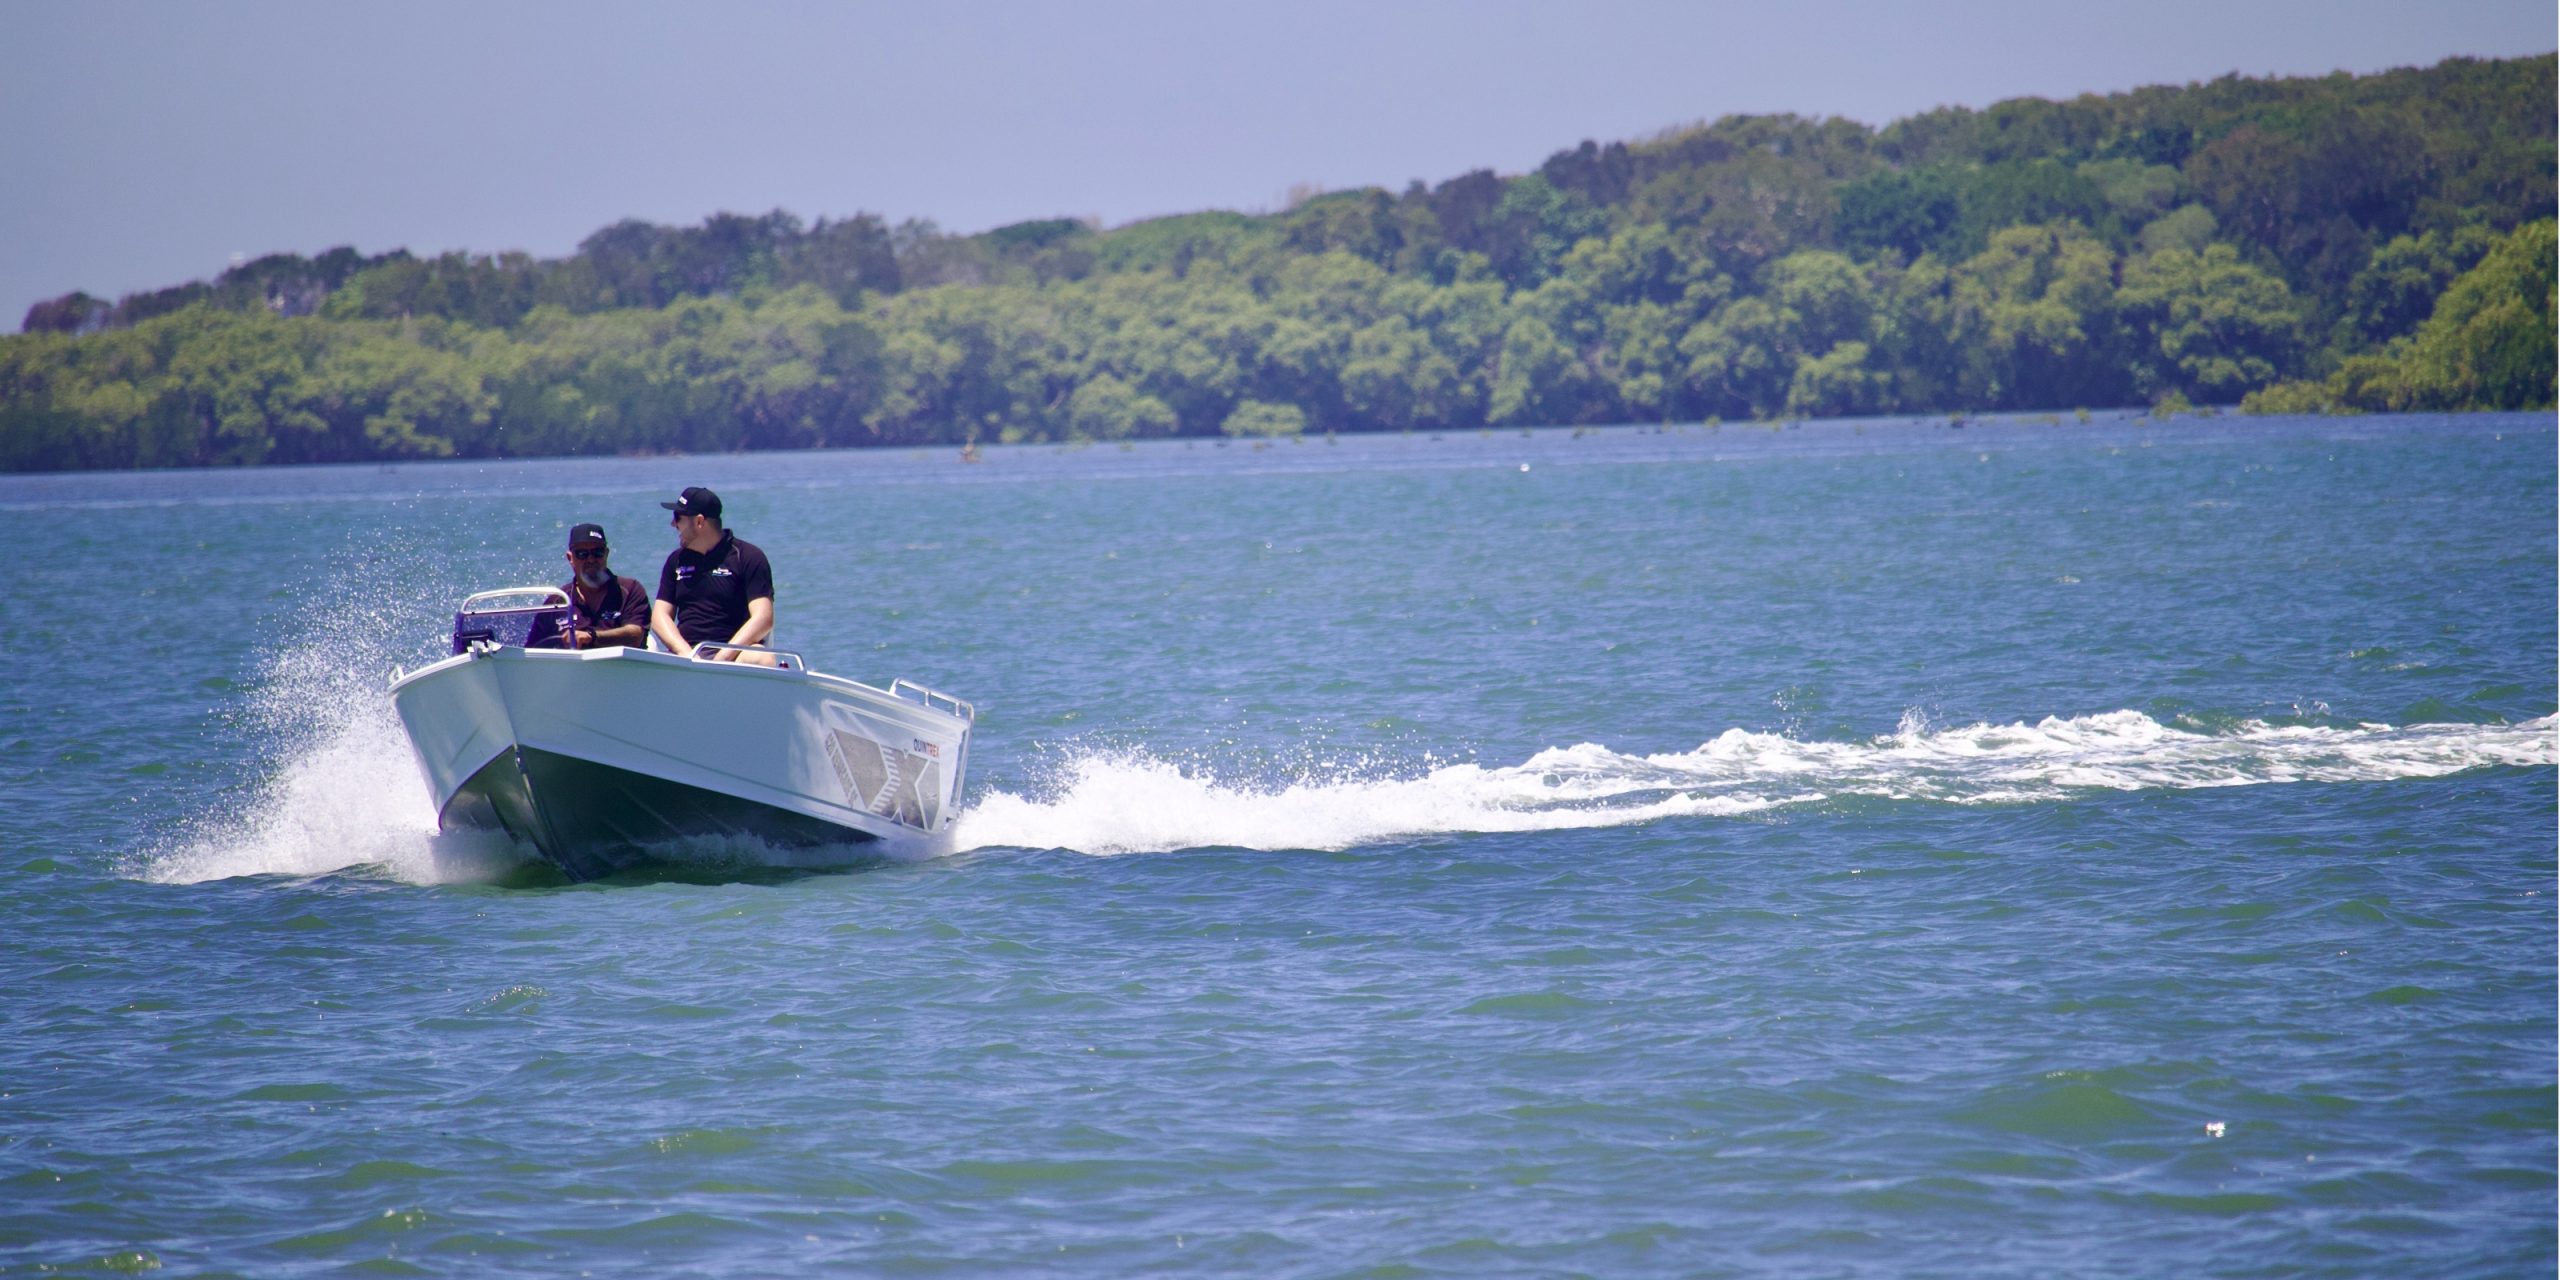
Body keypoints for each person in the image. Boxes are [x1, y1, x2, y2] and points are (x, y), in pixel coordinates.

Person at [650, 486, 777, 664]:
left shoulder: (748, 556)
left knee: (762, 657)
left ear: (699, 521)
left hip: (733, 655)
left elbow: (763, 617)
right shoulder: (676, 560)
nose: (673, 524)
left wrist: (723, 657)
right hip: (686, 656)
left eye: (678, 518)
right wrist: (687, 655)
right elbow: (659, 616)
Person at [561, 522, 651, 649]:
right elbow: (534, 646)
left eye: (597, 552)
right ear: (570, 558)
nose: (591, 559)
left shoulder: (630, 590)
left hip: (623, 668)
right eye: (582, 554)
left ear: (606, 554)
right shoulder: (558, 600)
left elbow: (635, 636)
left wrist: (591, 637)